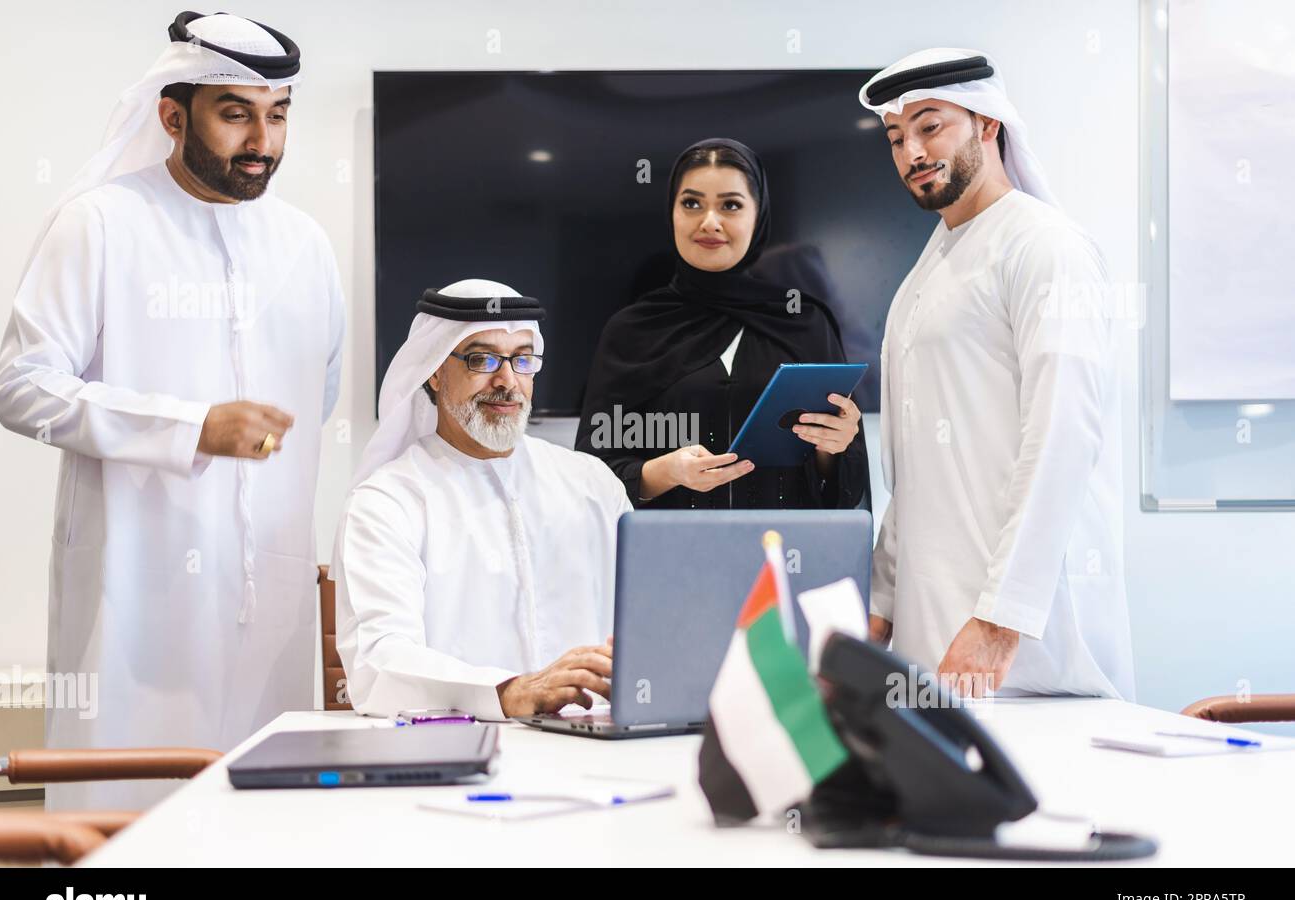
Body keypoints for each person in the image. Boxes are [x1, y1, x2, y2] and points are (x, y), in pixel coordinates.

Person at [0, 12, 345, 810]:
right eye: (236, 113)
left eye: (279, 112)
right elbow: (19, 386)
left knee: (270, 828)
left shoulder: (305, 245)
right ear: (172, 114)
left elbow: (315, 403)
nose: (264, 138)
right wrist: (189, 427)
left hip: (272, 609)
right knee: (125, 820)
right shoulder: (100, 223)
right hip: (134, 601)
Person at [859, 48, 1133, 699]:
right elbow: (914, 471)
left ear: (987, 122)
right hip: (935, 647)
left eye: (930, 126)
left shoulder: (1046, 246)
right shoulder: (927, 272)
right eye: (896, 137)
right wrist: (882, 604)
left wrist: (1000, 619)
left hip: (1029, 654)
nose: (911, 153)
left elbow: (1063, 436)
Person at [332, 280, 630, 720]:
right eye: (482, 358)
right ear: (434, 370)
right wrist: (507, 692)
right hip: (454, 750)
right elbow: (379, 661)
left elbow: (649, 625)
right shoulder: (387, 502)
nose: (507, 381)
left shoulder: (593, 485)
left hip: (599, 744)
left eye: (522, 359)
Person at [576, 138, 870, 511]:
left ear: (757, 213)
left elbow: (844, 486)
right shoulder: (632, 330)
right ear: (672, 213)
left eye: (730, 205)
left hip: (786, 554)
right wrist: (665, 472)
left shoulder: (804, 322)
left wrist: (835, 446)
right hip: (667, 557)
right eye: (691, 203)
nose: (709, 221)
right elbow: (590, 473)